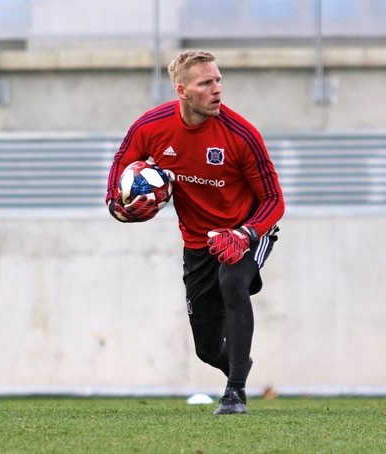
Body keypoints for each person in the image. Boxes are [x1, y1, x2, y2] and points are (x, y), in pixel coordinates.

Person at [105, 50, 285, 415]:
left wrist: (246, 234)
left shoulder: (242, 134)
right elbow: (122, 163)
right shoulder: (151, 126)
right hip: (197, 242)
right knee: (206, 349)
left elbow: (274, 200)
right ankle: (239, 364)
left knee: (232, 281)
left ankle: (234, 393)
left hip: (245, 229)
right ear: (182, 90)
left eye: (218, 80)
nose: (217, 89)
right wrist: (115, 201)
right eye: (206, 83)